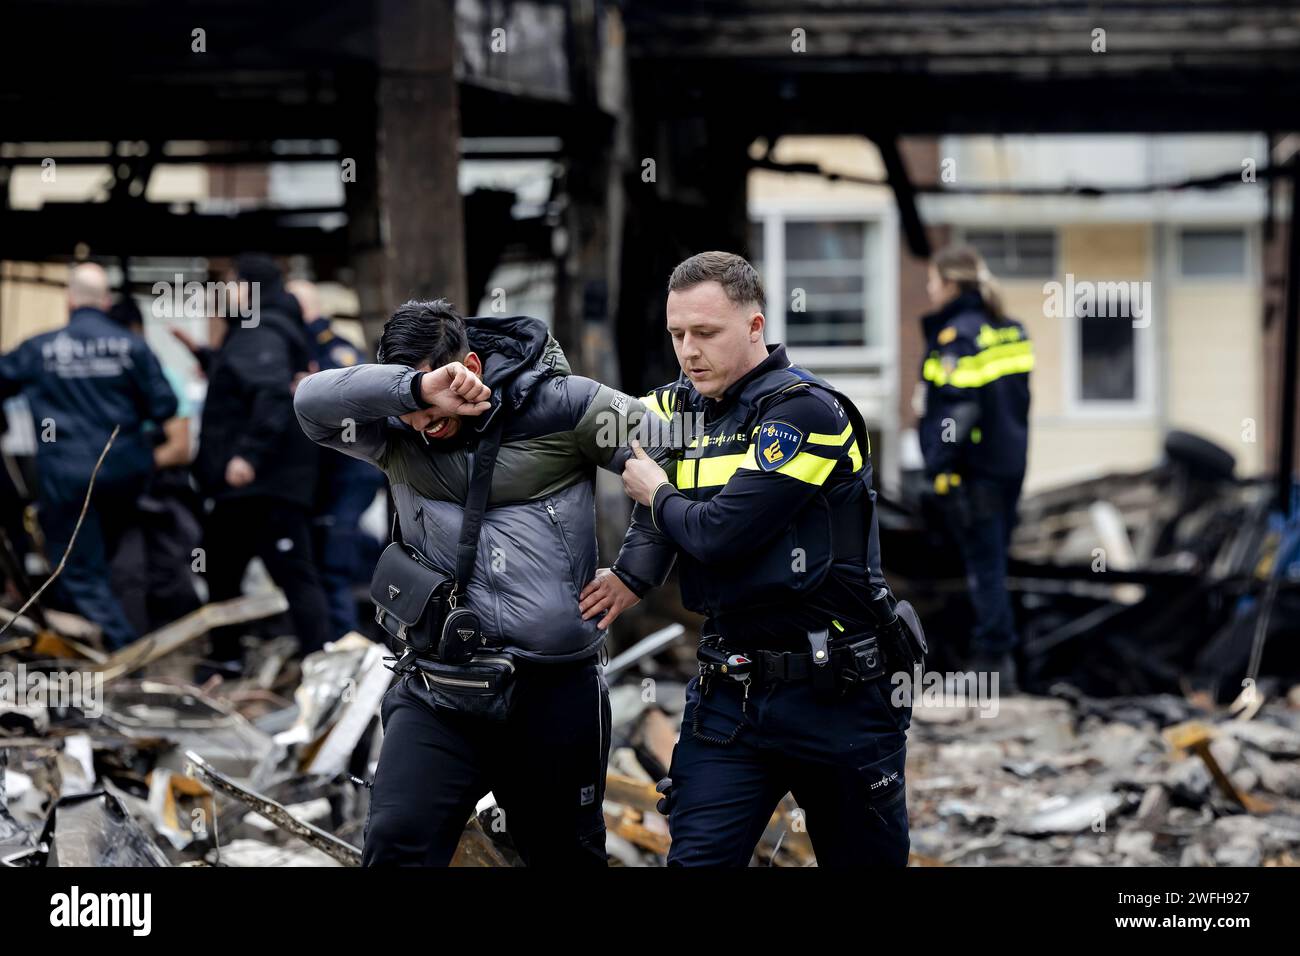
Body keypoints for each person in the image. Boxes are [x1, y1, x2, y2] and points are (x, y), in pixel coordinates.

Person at [294, 300, 663, 866]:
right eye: (418, 398)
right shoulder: (395, 428)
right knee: (397, 842)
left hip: (553, 690)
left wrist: (635, 573)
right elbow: (312, 403)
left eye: (444, 380)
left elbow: (672, 453)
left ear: (471, 361)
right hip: (438, 688)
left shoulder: (564, 403)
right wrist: (415, 393)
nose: (429, 421)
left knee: (566, 855)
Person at [580, 251, 912, 867]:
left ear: (755, 327)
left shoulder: (808, 413)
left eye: (706, 333)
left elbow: (719, 535)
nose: (688, 350)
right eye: (677, 334)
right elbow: (583, 424)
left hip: (837, 693)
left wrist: (654, 488)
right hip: (731, 694)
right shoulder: (680, 409)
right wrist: (632, 573)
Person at [0, 263, 177, 649]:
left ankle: (123, 649)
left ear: (68, 301)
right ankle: (95, 641)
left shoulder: (39, 348)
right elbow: (164, 405)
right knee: (105, 562)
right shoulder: (131, 347)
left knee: (79, 570)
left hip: (68, 478)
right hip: (126, 474)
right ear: (106, 301)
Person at [190, 254, 331, 668]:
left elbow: (269, 394)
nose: (226, 292)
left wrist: (247, 457)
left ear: (249, 288)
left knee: (291, 575)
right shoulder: (262, 330)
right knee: (223, 568)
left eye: (231, 282)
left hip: (262, 485)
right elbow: (246, 383)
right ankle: (230, 658)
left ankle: (316, 665)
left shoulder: (260, 330)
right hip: (257, 487)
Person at [917, 245, 1032, 690]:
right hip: (1009, 466)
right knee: (995, 562)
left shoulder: (957, 338)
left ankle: (991, 666)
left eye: (932, 282)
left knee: (983, 567)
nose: (929, 290)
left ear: (949, 284)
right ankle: (1002, 662)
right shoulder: (1011, 330)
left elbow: (957, 414)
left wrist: (936, 467)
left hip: (974, 471)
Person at [286, 279, 385, 640]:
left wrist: (309, 388)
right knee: (334, 559)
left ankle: (349, 647)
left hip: (351, 472)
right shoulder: (304, 344)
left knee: (333, 565)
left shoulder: (336, 351)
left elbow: (352, 398)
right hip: (333, 475)